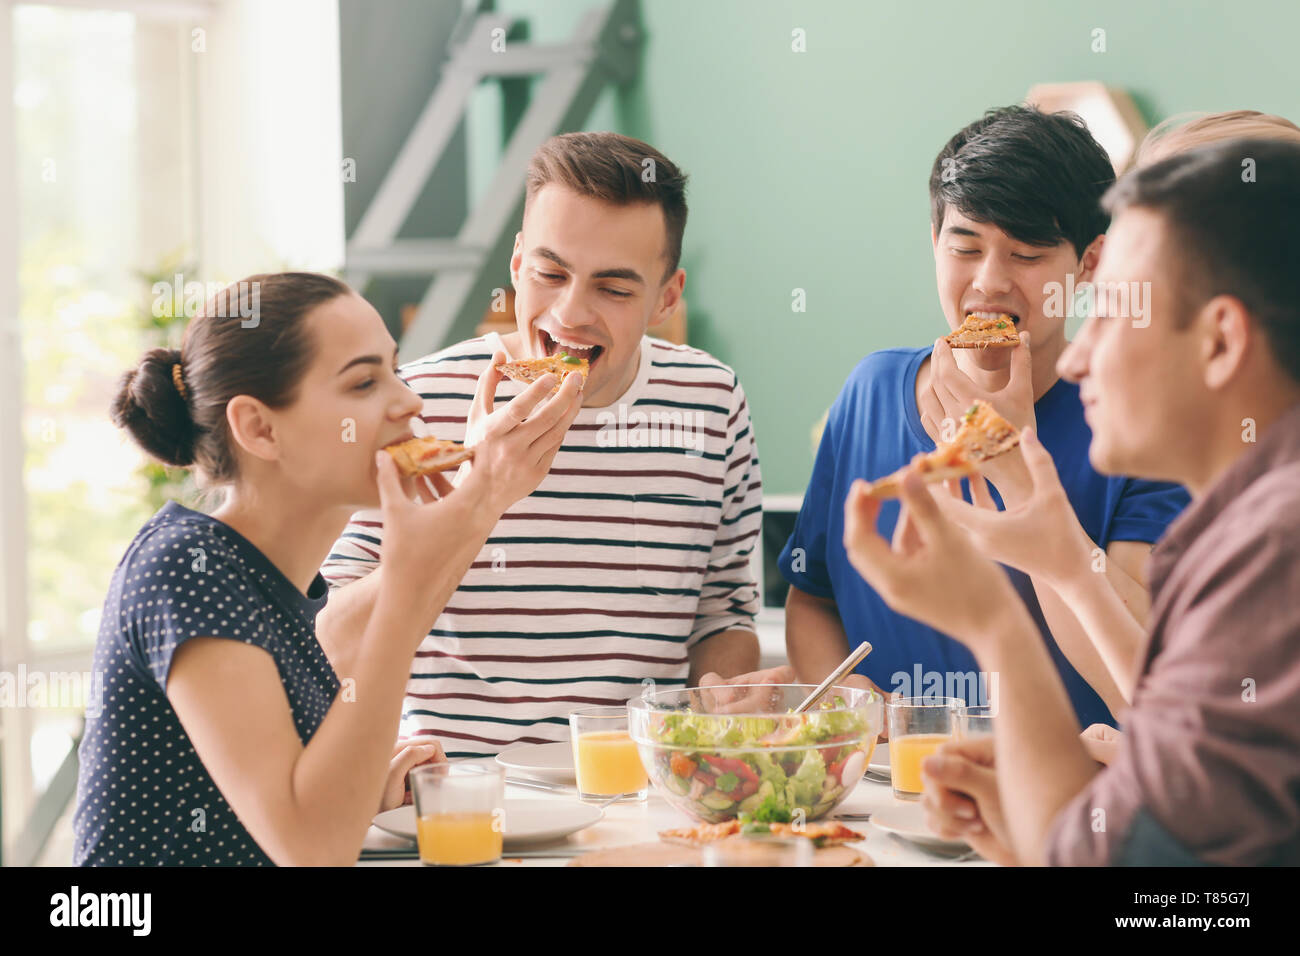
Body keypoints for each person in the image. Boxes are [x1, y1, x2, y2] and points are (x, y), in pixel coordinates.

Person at [846, 138, 1300, 865]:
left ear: (1220, 341)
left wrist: (997, 627)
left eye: (1114, 313)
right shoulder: (1235, 528)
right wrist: (1047, 819)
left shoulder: (1273, 550)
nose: (1081, 356)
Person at [73, 272, 581, 865]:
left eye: (394, 368)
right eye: (365, 382)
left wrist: (366, 791)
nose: (409, 401)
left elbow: (284, 802)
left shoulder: (281, 589)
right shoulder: (186, 569)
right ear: (260, 428)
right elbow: (312, 849)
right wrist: (404, 591)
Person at [320, 133, 773, 758]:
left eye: (614, 289)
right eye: (549, 273)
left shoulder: (711, 400)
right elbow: (334, 641)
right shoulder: (416, 403)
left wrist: (721, 693)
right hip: (453, 796)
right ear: (515, 265)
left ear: (667, 298)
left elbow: (722, 613)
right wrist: (481, 495)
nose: (570, 313)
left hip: (637, 793)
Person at [780, 105, 1189, 728]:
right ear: (934, 246)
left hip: (1068, 792)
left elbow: (1143, 683)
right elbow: (814, 598)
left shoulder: (1139, 422)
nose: (989, 283)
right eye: (965, 246)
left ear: (1090, 263)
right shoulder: (870, 389)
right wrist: (846, 700)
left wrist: (1018, 463)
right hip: (893, 789)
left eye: (1026, 254)